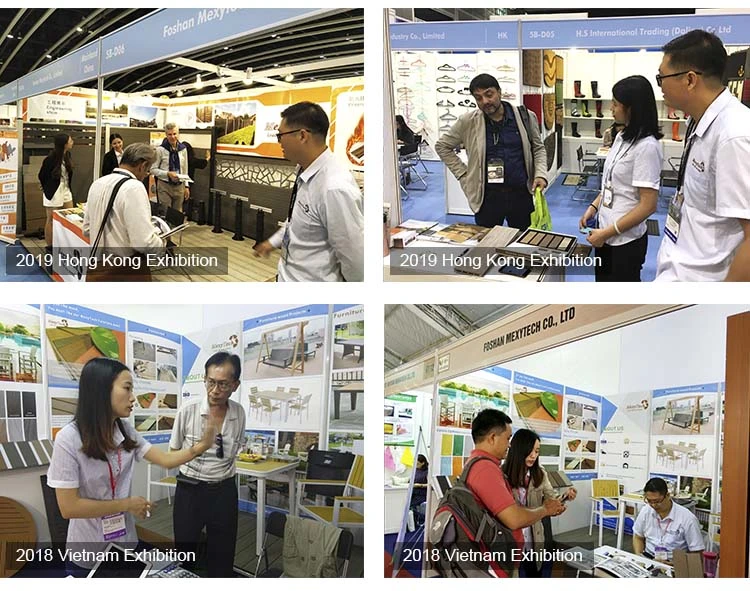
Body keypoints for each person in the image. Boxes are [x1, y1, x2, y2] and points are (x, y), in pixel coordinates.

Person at [46, 357, 218, 576]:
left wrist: (201, 446)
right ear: (101, 390)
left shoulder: (126, 430)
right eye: (127, 388)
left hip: (126, 544)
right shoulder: (68, 439)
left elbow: (164, 459)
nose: (133, 398)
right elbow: (69, 507)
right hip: (88, 551)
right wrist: (126, 504)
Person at [654, 30, 750, 281]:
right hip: (679, 268)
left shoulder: (734, 135)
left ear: (689, 80)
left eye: (661, 77)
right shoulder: (697, 121)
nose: (660, 86)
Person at [253, 101, 364, 281]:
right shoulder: (304, 170)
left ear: (302, 136)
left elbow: (355, 259)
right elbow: (298, 222)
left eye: (280, 135)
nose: (279, 141)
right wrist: (272, 243)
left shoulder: (334, 187)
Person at [435, 74, 547, 230]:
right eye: (478, 98)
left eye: (489, 94)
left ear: (499, 92)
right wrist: (463, 174)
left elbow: (538, 147)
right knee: (487, 244)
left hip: (521, 193)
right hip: (487, 197)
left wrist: (540, 174)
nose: (485, 101)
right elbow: (442, 146)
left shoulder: (525, 117)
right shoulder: (468, 121)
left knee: (523, 243)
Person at [579, 75, 663, 282]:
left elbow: (648, 205)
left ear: (632, 108)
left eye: (616, 104)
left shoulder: (647, 147)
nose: (611, 109)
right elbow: (610, 182)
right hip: (605, 232)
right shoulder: (621, 137)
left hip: (625, 241)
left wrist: (607, 233)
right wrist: (593, 206)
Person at [170, 352, 246, 577]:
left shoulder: (238, 413)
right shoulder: (188, 410)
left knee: (223, 554)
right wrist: (197, 449)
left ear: (235, 384)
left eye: (223, 384)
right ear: (204, 379)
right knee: (185, 552)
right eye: (210, 382)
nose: (215, 390)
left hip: (224, 491)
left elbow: (235, 451)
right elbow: (173, 453)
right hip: (190, 489)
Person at [462, 410, 564, 575]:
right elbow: (514, 519)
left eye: (537, 451)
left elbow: (550, 495)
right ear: (493, 438)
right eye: (508, 438)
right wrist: (545, 510)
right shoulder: (486, 469)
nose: (509, 444)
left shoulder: (478, 465)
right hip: (499, 556)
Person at [82, 143, 166, 281]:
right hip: (125, 269)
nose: (146, 175)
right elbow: (143, 242)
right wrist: (161, 245)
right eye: (147, 170)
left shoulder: (97, 183)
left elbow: (86, 229)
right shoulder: (134, 188)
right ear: (142, 165)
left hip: (98, 266)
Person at [503, 429, 577, 577]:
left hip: (534, 538)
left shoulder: (540, 473)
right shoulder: (502, 474)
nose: (533, 455)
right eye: (530, 450)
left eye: (537, 451)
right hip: (510, 539)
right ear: (518, 449)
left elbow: (552, 498)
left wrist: (565, 497)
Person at [632, 477, 705, 563]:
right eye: (649, 501)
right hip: (649, 559)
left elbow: (697, 552)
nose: (653, 505)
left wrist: (677, 565)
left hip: (675, 564)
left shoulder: (687, 518)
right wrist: (640, 557)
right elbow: (638, 537)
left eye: (657, 501)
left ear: (667, 496)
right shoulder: (646, 511)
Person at [39, 133, 74, 249]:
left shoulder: (67, 155)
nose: (72, 142)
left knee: (70, 215)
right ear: (64, 144)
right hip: (53, 190)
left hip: (66, 188)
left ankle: (65, 244)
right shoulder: (50, 159)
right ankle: (50, 246)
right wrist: (45, 188)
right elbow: (42, 175)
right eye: (70, 140)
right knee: (51, 220)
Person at [151, 122, 190, 215]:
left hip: (179, 185)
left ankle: (177, 230)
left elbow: (185, 168)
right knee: (166, 212)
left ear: (178, 133)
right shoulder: (160, 150)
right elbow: (153, 169)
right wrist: (167, 174)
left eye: (174, 134)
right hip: (165, 185)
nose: (172, 137)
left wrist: (187, 186)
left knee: (177, 214)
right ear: (166, 135)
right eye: (169, 134)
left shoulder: (183, 149)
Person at [410, 454, 429, 527]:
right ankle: (413, 522)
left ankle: (421, 520)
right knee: (405, 504)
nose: (416, 465)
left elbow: (430, 485)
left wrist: (420, 485)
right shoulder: (416, 470)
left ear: (423, 463)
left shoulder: (427, 472)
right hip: (415, 492)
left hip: (422, 494)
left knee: (411, 505)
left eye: (417, 463)